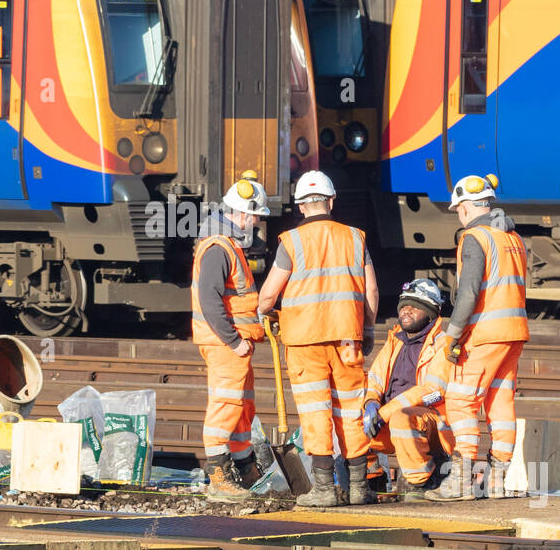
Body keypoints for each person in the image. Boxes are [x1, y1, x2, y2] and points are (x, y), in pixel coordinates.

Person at [257, 170, 379, 507]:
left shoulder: (292, 242)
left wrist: (264, 314)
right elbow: (370, 289)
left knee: (315, 412)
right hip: (347, 341)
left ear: (299, 206)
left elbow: (268, 297)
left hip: (305, 343)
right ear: (331, 200)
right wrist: (366, 330)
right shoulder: (355, 238)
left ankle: (324, 489)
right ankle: (358, 489)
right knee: (350, 410)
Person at [427, 174, 529, 501]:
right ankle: (497, 482)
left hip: (486, 333)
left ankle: (460, 482)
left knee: (460, 399)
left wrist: (452, 335)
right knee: (500, 402)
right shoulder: (513, 238)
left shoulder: (474, 237)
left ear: (469, 207)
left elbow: (468, 294)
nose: (458, 215)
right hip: (514, 333)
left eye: (458, 210)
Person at [192, 173, 272, 502]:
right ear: (242, 213)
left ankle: (243, 464)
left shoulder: (228, 245)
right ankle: (218, 476)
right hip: (227, 343)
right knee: (225, 405)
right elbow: (210, 300)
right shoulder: (218, 248)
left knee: (242, 406)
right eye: (254, 216)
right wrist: (233, 339)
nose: (256, 222)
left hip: (236, 342)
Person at [361, 278, 456, 501]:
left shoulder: (443, 344)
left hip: (432, 424)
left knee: (402, 418)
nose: (407, 310)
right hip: (389, 421)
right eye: (404, 305)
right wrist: (371, 402)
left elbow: (433, 390)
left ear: (430, 311)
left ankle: (422, 483)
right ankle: (373, 477)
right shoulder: (395, 341)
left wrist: (385, 412)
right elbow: (375, 377)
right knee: (349, 417)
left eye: (415, 307)